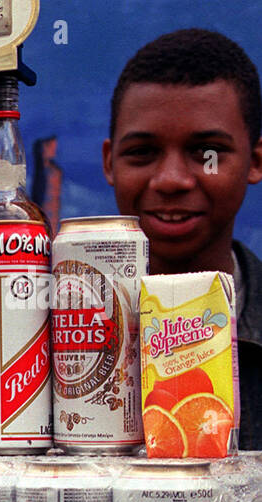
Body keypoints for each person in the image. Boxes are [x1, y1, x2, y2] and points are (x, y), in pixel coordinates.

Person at [103, 28, 262, 448]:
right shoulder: (49, 331)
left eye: (206, 152)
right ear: (109, 163)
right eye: (142, 152)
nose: (171, 180)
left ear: (255, 160)